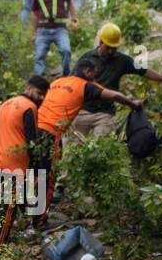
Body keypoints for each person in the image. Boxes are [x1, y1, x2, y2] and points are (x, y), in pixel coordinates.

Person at [36, 57, 144, 216]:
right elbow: (113, 95)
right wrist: (133, 104)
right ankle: (38, 218)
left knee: (34, 170)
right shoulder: (84, 85)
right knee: (46, 175)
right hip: (52, 132)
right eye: (94, 73)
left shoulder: (57, 82)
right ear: (87, 71)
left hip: (35, 127)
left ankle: (20, 208)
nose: (95, 76)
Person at [71, 22, 162, 138]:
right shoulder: (86, 58)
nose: (111, 51)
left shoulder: (122, 60)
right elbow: (71, 82)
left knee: (103, 148)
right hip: (83, 111)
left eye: (114, 48)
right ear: (101, 42)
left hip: (105, 114)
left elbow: (145, 71)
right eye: (108, 47)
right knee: (72, 147)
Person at [0, 75, 50, 245]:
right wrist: (36, 171)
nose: (41, 98)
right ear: (28, 88)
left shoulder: (6, 104)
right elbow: (32, 142)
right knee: (8, 210)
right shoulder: (29, 108)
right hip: (14, 167)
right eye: (39, 93)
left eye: (44, 95)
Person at [29, 0, 77, 76]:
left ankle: (65, 76)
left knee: (66, 51)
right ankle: (39, 82)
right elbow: (34, 15)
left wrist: (73, 19)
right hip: (42, 31)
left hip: (60, 30)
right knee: (39, 57)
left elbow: (70, 2)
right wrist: (34, 34)